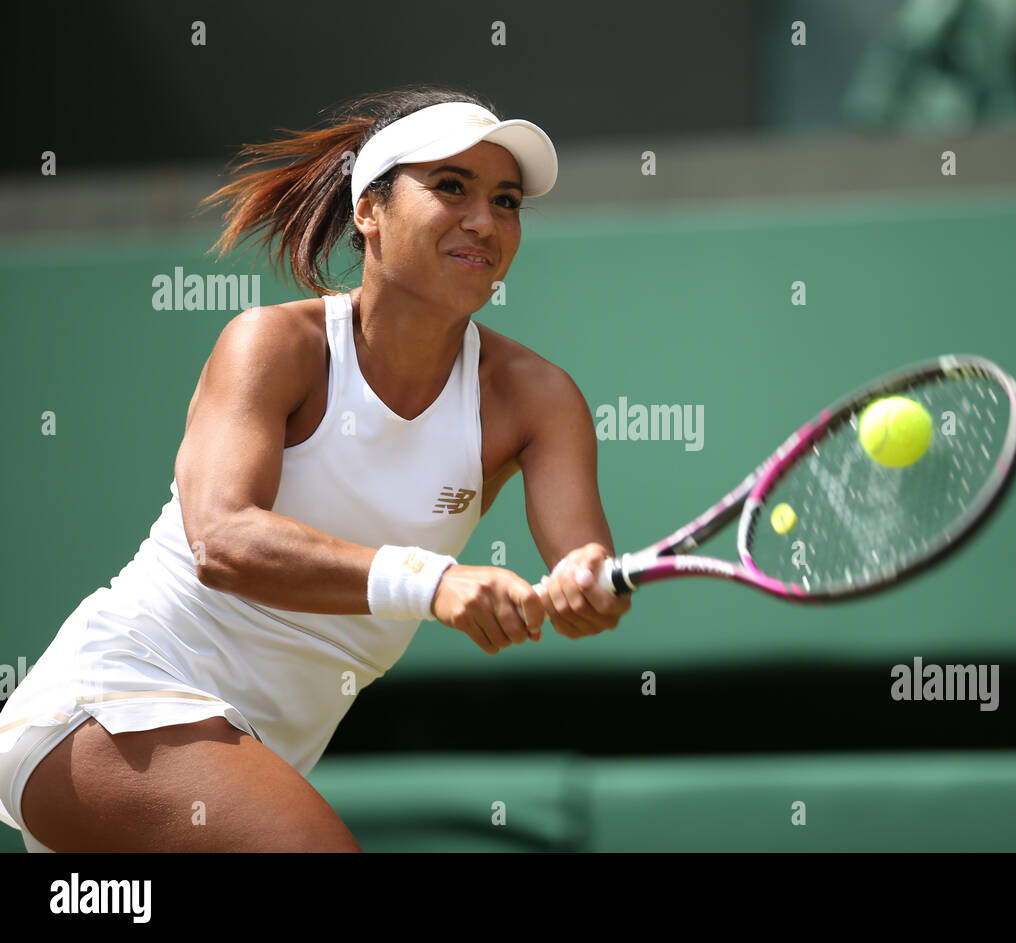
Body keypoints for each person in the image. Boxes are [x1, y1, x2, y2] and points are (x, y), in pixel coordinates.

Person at [0, 85, 630, 852]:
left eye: (506, 201)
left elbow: (582, 569)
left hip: (242, 758)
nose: (484, 221)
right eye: (451, 187)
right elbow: (223, 540)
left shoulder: (538, 400)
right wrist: (432, 582)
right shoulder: (274, 346)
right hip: (109, 702)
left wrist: (584, 591)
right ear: (369, 210)